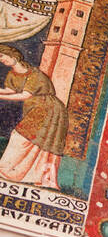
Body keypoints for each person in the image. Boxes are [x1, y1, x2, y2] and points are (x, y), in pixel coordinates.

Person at [0, 44, 67, 188]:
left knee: (21, 136)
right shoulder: (12, 74)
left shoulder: (34, 74)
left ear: (12, 55)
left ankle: (8, 172)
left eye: (2, 56)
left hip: (48, 109)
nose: (1, 60)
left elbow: (25, 95)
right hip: (36, 109)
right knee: (28, 139)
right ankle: (24, 174)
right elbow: (9, 90)